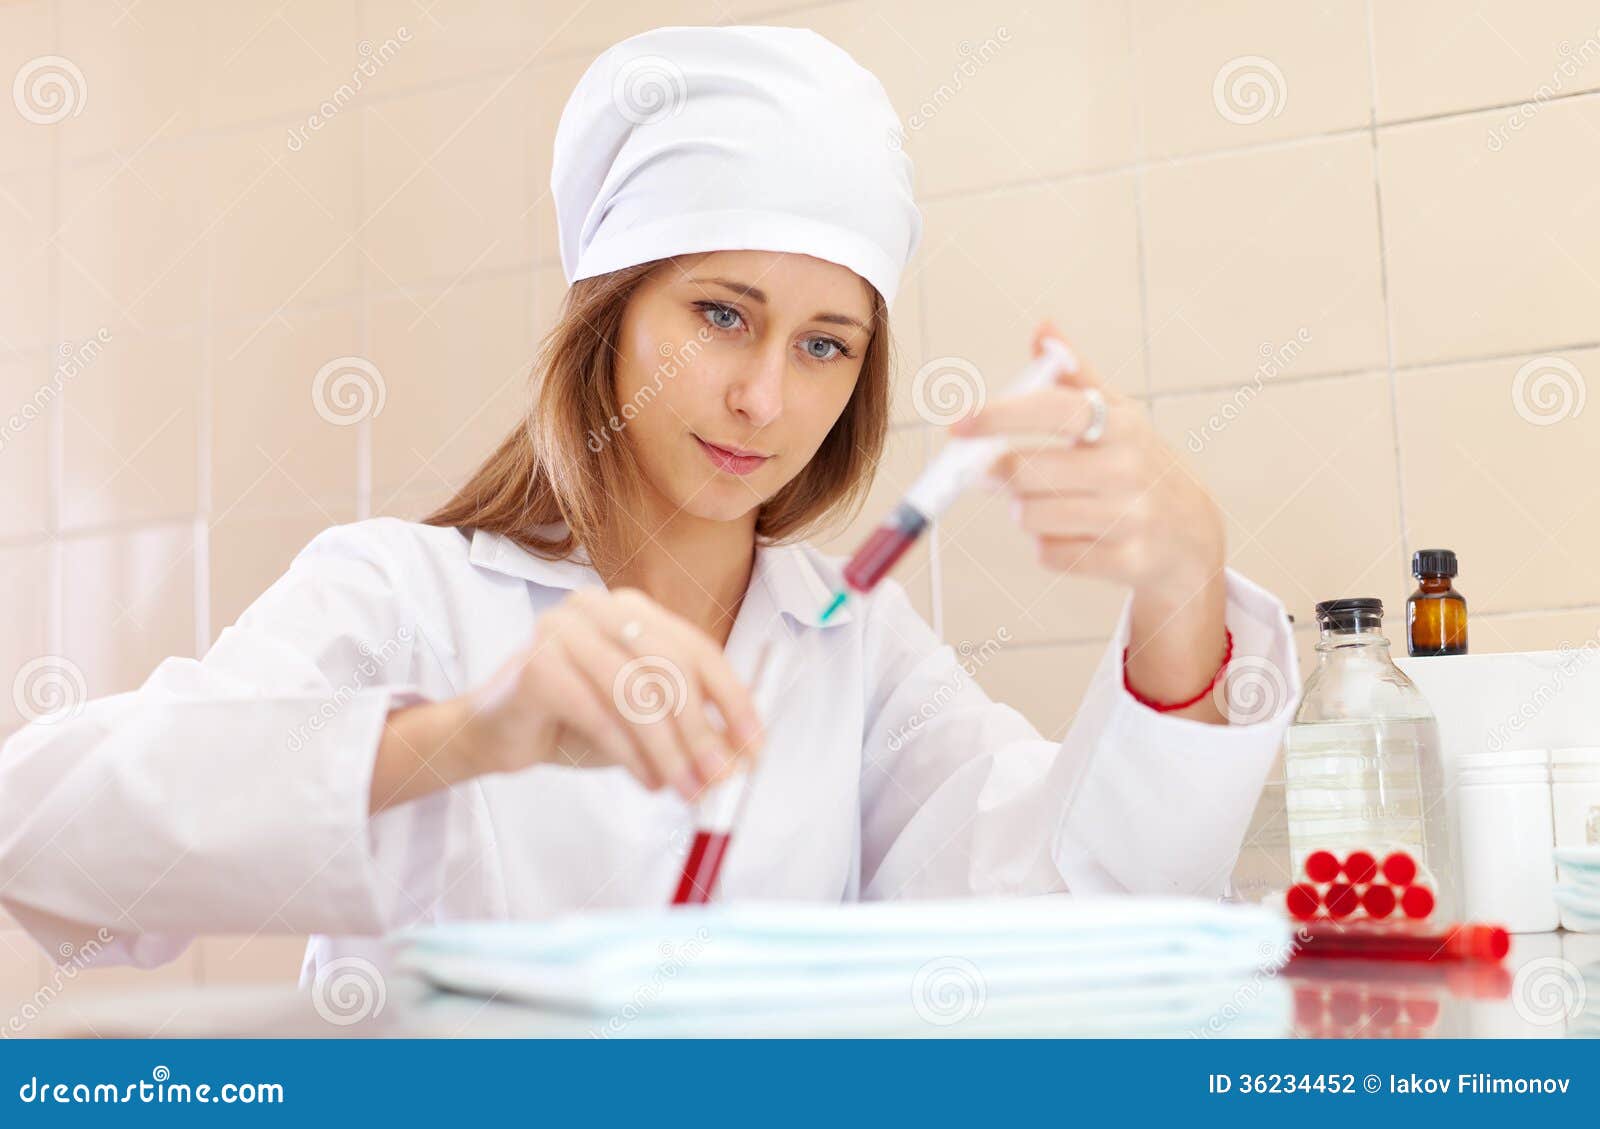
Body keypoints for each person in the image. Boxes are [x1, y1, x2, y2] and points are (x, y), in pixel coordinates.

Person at [0, 25, 1297, 985]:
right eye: (721, 314)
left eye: (825, 345)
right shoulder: (403, 594)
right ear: (609, 317)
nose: (764, 398)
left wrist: (1181, 591)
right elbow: (42, 836)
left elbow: (1083, 914)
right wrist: (464, 736)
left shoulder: (851, 647)